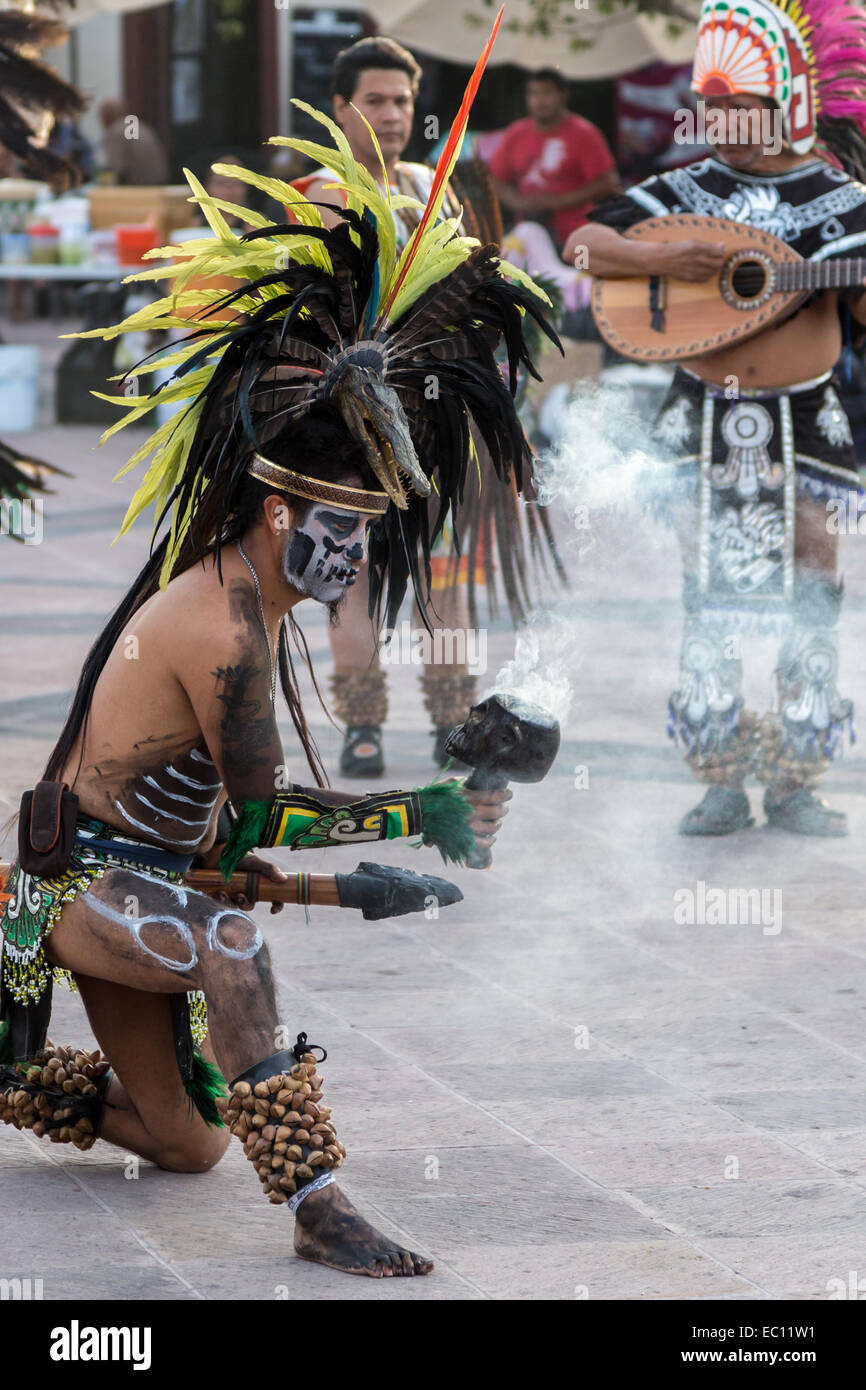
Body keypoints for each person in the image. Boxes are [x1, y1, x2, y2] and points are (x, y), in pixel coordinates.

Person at [0, 57, 557, 1278]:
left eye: (363, 530)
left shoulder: (248, 589)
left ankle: (16, 1079)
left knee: (184, 1143)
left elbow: (228, 833)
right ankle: (318, 1210)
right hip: (84, 887)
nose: (351, 553)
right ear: (273, 513)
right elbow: (266, 814)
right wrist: (426, 809)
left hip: (155, 879)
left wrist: (423, 813)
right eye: (337, 528)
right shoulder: (225, 630)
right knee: (235, 947)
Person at [577, 0, 866, 837]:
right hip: (702, 412)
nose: (727, 125)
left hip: (809, 417)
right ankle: (719, 776)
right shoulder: (683, 190)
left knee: (814, 575)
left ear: (784, 103)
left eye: (743, 108)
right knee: (708, 586)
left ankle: (797, 778)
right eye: (715, 109)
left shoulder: (841, 197)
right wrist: (663, 258)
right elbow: (586, 246)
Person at [295, 36, 560, 777]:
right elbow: (312, 315)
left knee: (444, 570)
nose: (390, 114)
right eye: (373, 101)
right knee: (353, 572)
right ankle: (363, 725)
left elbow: (474, 293)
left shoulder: (434, 183)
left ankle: (453, 714)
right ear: (340, 108)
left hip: (440, 412)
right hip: (347, 418)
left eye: (402, 101)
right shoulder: (322, 193)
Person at [489, 67, 620, 253]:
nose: (539, 101)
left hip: (575, 237)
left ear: (563, 95)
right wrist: (519, 202)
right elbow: (495, 180)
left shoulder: (584, 133)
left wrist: (556, 202)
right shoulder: (516, 133)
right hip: (527, 233)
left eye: (547, 93)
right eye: (533, 94)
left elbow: (608, 184)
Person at [99, 97, 168, 185]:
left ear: (106, 116)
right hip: (160, 183)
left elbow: (117, 168)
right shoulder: (139, 126)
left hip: (140, 187)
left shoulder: (115, 132)